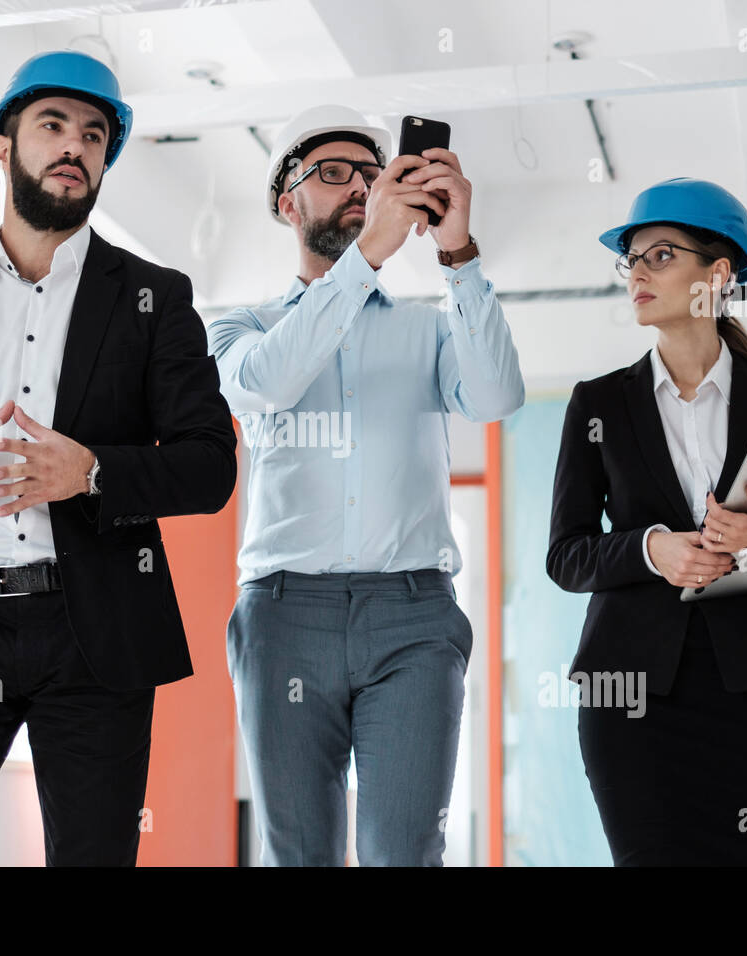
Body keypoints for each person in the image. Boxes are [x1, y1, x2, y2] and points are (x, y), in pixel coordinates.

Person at [0, 50, 236, 866]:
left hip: (94, 628)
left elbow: (211, 466)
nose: (75, 146)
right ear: (4, 145)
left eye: (94, 135)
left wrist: (91, 472)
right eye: (53, 125)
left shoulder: (155, 298)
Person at [208, 105, 525, 865]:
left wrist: (459, 255)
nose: (358, 187)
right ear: (288, 202)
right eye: (333, 174)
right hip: (285, 619)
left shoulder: (428, 330)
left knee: (404, 852)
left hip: (411, 620)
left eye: (370, 175)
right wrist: (369, 257)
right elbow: (268, 383)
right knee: (300, 854)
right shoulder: (239, 327)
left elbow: (496, 398)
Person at [546, 177, 747, 865]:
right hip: (625, 697)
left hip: (745, 697)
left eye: (660, 255)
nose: (637, 271)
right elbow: (566, 556)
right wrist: (654, 550)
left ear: (716, 275)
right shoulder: (597, 403)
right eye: (630, 258)